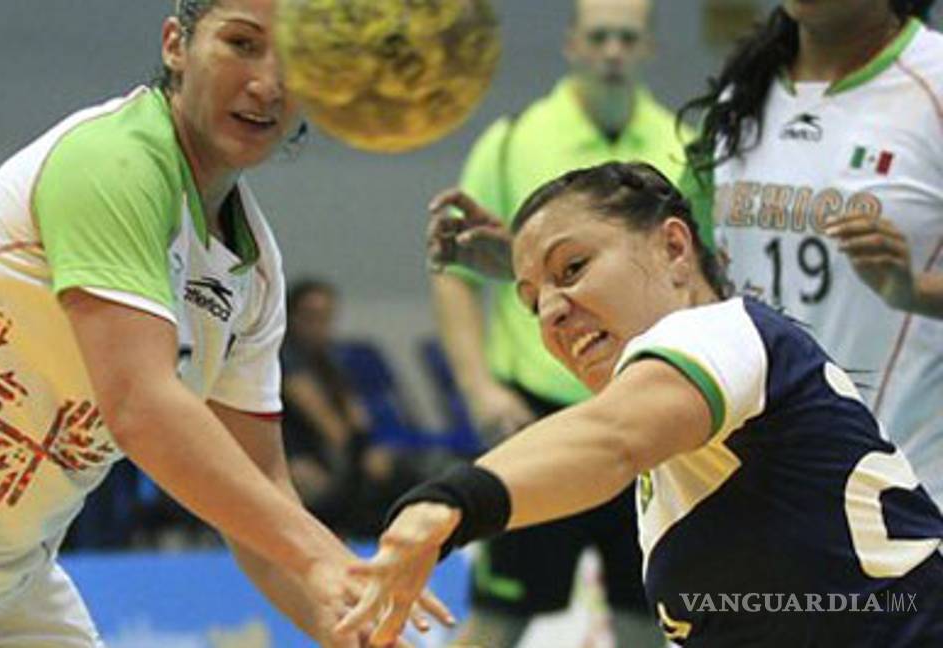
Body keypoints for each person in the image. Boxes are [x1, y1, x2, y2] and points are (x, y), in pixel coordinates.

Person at [0, 1, 448, 645]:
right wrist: (322, 555)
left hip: (8, 584)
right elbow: (142, 405)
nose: (268, 83)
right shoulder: (114, 161)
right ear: (175, 45)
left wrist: (363, 629)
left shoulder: (255, 269)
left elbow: (259, 497)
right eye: (241, 44)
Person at [340, 161, 943, 647]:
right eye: (532, 302)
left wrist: (445, 505)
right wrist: (552, 266)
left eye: (572, 268)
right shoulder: (703, 409)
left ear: (676, 248)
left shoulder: (713, 332)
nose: (549, 312)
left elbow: (610, 440)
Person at [428, 0, 678, 644]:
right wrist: (481, 389)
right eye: (599, 37)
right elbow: (455, 272)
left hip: (650, 415)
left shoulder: (681, 144)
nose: (613, 50)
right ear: (572, 44)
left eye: (628, 38)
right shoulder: (513, 142)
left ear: (648, 48)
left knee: (647, 622)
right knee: (498, 621)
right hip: (540, 418)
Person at [678, 0, 943, 508]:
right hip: (767, 485)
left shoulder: (930, 84)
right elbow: (685, 268)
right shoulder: (743, 95)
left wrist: (913, 289)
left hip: (908, 493)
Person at [281, 279, 422, 538]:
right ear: (291, 317)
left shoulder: (329, 360)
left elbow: (357, 418)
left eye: (326, 317)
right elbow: (327, 424)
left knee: (401, 472)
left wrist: (368, 449)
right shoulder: (285, 359)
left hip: (333, 453)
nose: (319, 326)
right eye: (311, 317)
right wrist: (358, 457)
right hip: (290, 454)